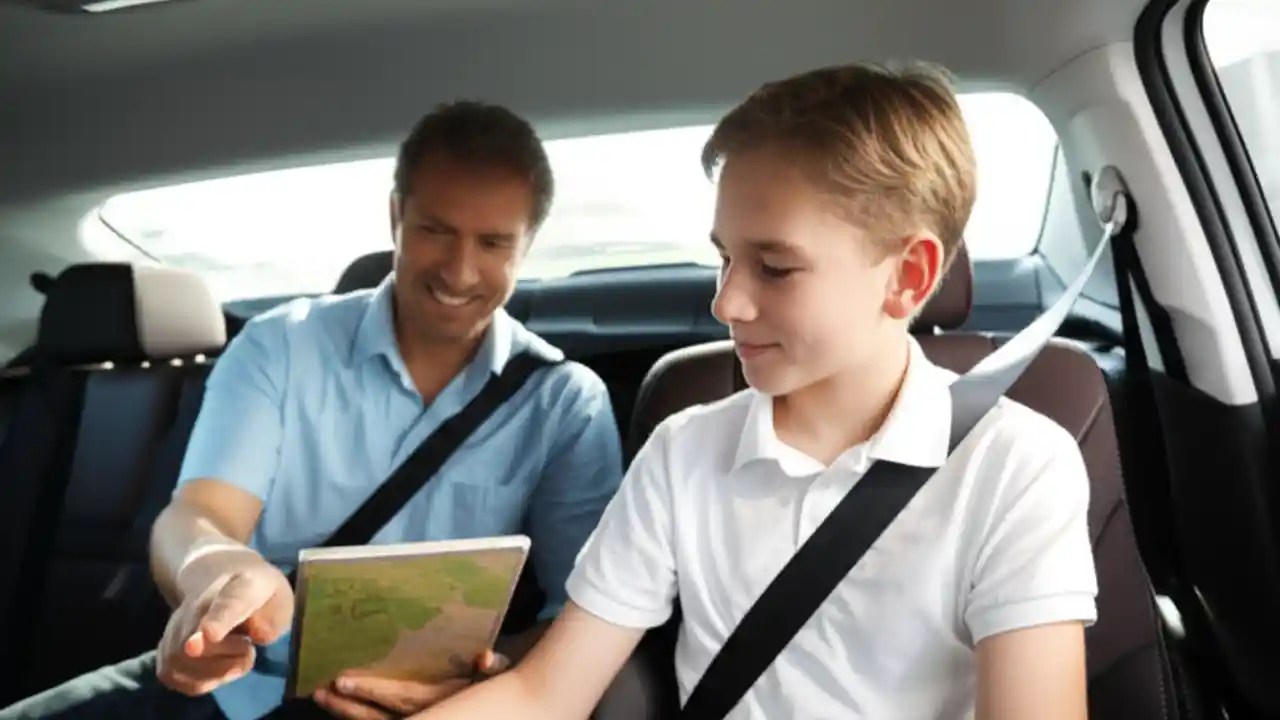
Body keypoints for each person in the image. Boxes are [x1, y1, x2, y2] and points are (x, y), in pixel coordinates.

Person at [410, 62, 1099, 719]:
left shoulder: (1013, 467)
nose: (727, 302)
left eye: (774, 267)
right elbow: (544, 697)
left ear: (907, 277)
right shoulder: (684, 453)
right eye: (725, 257)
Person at [1, 101, 623, 720]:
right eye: (436, 230)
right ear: (396, 216)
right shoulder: (280, 347)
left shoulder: (564, 404)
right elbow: (199, 514)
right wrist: (217, 575)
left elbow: (583, 620)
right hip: (242, 685)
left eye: (493, 243)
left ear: (526, 244)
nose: (460, 271)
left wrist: (487, 689)